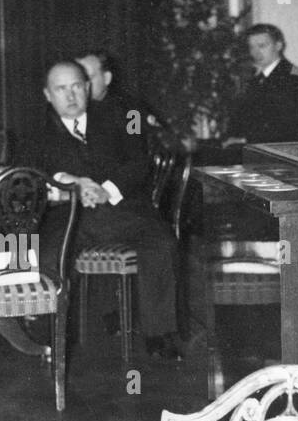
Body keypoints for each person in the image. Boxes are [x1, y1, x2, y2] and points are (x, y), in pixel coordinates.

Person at [25, 59, 182, 361]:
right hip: (70, 216)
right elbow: (32, 171)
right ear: (48, 95)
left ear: (87, 87)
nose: (70, 96)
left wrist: (105, 189)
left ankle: (160, 334)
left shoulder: (119, 117)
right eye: (61, 89)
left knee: (161, 243)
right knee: (48, 254)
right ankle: (50, 338)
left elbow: (139, 162)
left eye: (76, 87)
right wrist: (68, 183)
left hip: (121, 209)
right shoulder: (37, 129)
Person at [227, 24, 298, 145]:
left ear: (278, 46)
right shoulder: (256, 80)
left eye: (261, 46)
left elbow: (289, 128)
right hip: (254, 151)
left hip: (278, 154)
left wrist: (244, 140)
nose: (255, 53)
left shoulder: (295, 79)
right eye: (251, 47)